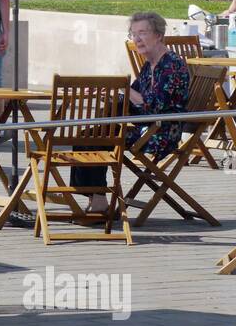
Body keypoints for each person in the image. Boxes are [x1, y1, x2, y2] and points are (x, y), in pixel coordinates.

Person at [72, 11, 189, 213]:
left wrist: (123, 88)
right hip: (146, 127)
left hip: (160, 133)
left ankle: (98, 201)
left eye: (142, 33)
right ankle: (96, 197)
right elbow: (132, 100)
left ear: (158, 35)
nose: (137, 39)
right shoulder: (149, 66)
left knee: (99, 138)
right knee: (87, 136)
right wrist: (107, 93)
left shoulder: (173, 65)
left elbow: (155, 106)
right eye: (133, 34)